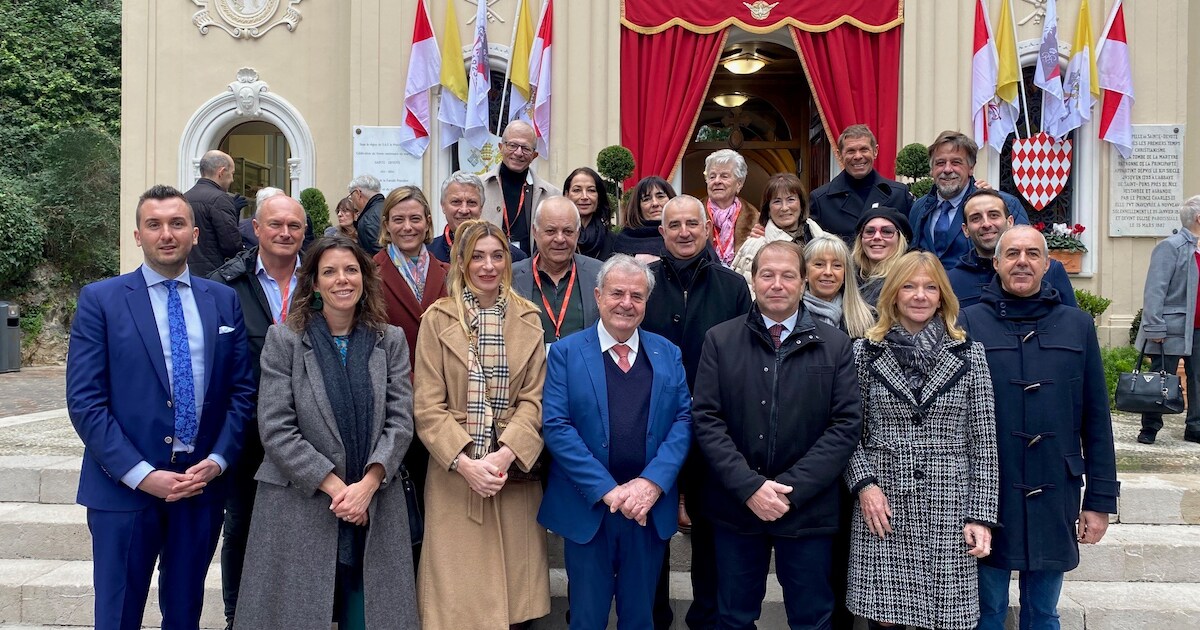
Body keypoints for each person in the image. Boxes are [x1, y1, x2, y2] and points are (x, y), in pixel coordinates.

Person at [66, 184, 255, 630]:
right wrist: (141, 475)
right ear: (138, 235)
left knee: (185, 613)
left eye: (176, 224)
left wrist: (218, 459)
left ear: (194, 233)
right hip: (123, 491)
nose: (165, 234)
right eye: (154, 225)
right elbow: (86, 401)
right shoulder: (101, 300)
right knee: (117, 616)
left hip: (198, 489)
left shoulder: (222, 299)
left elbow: (241, 392)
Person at [234, 235, 418, 630]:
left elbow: (401, 420)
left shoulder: (392, 341)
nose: (342, 280)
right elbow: (276, 426)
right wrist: (339, 490)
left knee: (371, 614)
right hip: (300, 502)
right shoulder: (284, 339)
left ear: (365, 279)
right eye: (329, 272)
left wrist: (367, 485)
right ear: (314, 283)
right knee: (295, 615)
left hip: (375, 501)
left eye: (351, 270)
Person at [693, 240, 863, 629]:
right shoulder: (720, 340)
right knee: (734, 617)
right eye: (767, 275)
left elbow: (845, 425)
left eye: (788, 275)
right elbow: (706, 418)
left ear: (803, 282)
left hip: (807, 509)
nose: (777, 284)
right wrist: (750, 487)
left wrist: (790, 489)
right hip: (737, 505)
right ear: (752, 280)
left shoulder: (835, 344)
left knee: (812, 617)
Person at [959, 226, 1119, 630]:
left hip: (1055, 485)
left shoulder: (1077, 325)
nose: (1022, 262)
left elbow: (1096, 418)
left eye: (1033, 254)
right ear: (995, 263)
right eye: (1012, 254)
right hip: (989, 490)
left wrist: (1099, 501)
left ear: (1048, 265)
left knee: (1044, 613)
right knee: (986, 612)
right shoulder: (966, 323)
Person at [844, 251, 999, 630]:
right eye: (909, 286)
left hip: (948, 503)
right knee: (885, 618)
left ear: (942, 296)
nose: (919, 295)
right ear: (893, 294)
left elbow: (984, 440)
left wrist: (981, 515)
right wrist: (864, 486)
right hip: (883, 501)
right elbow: (847, 431)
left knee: (945, 617)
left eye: (930, 287)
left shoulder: (969, 354)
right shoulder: (864, 352)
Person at [538, 254, 693, 629]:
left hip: (645, 510)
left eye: (637, 296)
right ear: (598, 296)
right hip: (589, 508)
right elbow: (557, 426)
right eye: (617, 293)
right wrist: (608, 490)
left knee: (641, 618)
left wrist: (651, 484)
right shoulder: (565, 352)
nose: (626, 303)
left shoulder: (667, 353)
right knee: (587, 619)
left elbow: (683, 421)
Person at [413, 220, 551, 628]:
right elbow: (427, 405)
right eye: (478, 256)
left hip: (511, 477)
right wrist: (467, 464)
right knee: (459, 604)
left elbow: (535, 399)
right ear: (461, 262)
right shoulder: (437, 319)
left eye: (497, 256)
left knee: (514, 606)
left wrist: (506, 455)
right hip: (457, 475)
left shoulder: (529, 317)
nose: (488, 266)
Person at [642, 194, 752, 630]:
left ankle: (706, 618)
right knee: (652, 529)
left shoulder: (733, 287)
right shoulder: (643, 281)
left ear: (708, 230)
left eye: (694, 224)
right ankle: (654, 617)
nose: (685, 232)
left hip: (714, 428)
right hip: (651, 428)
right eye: (675, 225)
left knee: (711, 533)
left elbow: (745, 357)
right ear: (661, 232)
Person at [209, 193, 306, 629]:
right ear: (256, 229)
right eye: (275, 225)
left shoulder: (324, 278)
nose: (285, 233)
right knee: (242, 522)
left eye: (294, 226)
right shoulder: (226, 285)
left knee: (308, 524)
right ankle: (238, 615)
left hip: (311, 428)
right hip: (247, 428)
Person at [374, 185, 450, 559]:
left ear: (427, 223)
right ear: (386, 224)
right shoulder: (369, 273)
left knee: (436, 499)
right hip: (392, 402)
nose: (407, 226)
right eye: (398, 219)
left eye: (415, 218)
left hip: (443, 403)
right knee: (400, 502)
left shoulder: (449, 273)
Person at [908, 131, 1030, 270]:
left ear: (971, 168)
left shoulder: (1005, 204)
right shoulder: (919, 208)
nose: (947, 169)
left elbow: (1025, 252)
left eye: (956, 162)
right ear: (931, 170)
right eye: (940, 163)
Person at [1134, 195, 1200, 444]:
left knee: (1198, 379)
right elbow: (1155, 290)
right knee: (1160, 378)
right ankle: (1150, 427)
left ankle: (1195, 426)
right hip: (1171, 327)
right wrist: (1154, 326)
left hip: (1198, 329)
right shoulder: (1171, 247)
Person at [946, 189, 1075, 309]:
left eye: (994, 215)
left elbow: (1069, 325)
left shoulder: (1050, 271)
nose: (986, 224)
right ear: (966, 230)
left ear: (1010, 222)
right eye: (976, 218)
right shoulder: (952, 282)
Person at [512, 196, 604, 344]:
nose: (560, 239)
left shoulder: (599, 274)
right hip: (531, 366)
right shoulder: (511, 277)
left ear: (578, 233)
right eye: (551, 231)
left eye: (568, 231)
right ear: (535, 232)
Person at [809, 125, 912, 243]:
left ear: (875, 151)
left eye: (864, 149)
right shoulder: (821, 200)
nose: (858, 156)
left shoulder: (899, 195)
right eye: (851, 151)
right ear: (839, 154)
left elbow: (910, 243)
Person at [732, 172, 826, 291]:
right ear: (768, 209)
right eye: (777, 201)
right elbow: (742, 293)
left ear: (801, 204)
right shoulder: (754, 246)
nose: (785, 207)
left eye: (791, 200)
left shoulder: (822, 240)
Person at [482, 120, 561, 256]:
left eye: (525, 148)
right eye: (512, 145)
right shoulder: (478, 187)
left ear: (534, 155)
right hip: (487, 268)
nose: (518, 153)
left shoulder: (552, 195)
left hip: (531, 271)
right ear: (501, 147)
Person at [430, 170, 528, 264]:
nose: (464, 210)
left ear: (481, 208)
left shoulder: (512, 256)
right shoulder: (428, 254)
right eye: (456, 202)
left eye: (471, 202)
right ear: (443, 206)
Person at [802, 234, 875, 339]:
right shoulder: (789, 315)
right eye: (819, 264)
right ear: (805, 272)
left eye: (837, 265)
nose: (828, 272)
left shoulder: (867, 319)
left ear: (846, 274)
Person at [185, 149, 243, 276]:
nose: (232, 179)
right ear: (221, 172)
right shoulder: (220, 199)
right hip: (214, 274)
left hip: (187, 272)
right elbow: (231, 244)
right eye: (232, 173)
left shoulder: (184, 198)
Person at [701, 149, 760, 267]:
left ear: (739, 183)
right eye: (712, 176)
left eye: (724, 176)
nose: (717, 181)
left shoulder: (755, 218)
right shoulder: (694, 213)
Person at [852, 206, 912, 307]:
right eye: (870, 231)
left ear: (901, 239)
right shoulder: (845, 277)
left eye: (887, 232)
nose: (877, 237)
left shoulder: (910, 280)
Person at [612, 176, 675, 265]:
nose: (655, 203)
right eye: (646, 199)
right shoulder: (624, 240)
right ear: (637, 207)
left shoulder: (683, 235)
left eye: (660, 196)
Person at [564, 166, 614, 260]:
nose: (584, 197)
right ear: (566, 195)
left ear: (599, 197)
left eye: (591, 190)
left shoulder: (612, 241)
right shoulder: (557, 238)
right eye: (577, 190)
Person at [349, 174, 386, 256]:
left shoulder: (367, 220)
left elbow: (379, 256)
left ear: (358, 193)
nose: (352, 202)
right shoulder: (390, 207)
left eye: (351, 197)